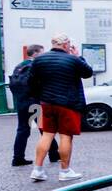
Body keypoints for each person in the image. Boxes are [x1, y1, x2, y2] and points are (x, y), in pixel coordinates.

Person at [29, 35, 93, 182]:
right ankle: (64, 171)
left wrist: (41, 96)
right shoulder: (73, 60)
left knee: (47, 134)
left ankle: (37, 169)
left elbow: (31, 81)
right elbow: (87, 73)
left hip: (46, 103)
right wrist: (79, 56)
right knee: (65, 136)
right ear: (66, 44)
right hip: (68, 104)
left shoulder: (39, 60)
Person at [10, 44, 61, 168]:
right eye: (42, 52)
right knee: (45, 129)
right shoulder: (36, 66)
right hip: (35, 102)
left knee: (22, 130)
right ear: (36, 53)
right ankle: (54, 154)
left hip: (22, 102)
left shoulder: (19, 66)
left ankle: (18, 158)